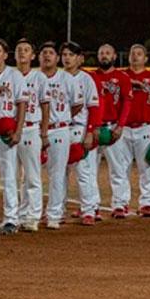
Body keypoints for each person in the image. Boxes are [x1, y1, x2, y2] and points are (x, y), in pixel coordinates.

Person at [0, 38, 28, 235]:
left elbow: (22, 104)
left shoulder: (14, 75)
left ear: (5, 55)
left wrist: (18, 131)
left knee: (9, 176)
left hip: (5, 131)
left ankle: (11, 218)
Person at [37, 41, 82, 230]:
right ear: (39, 57)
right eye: (44, 52)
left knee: (57, 174)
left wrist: (63, 117)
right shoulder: (33, 77)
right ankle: (33, 211)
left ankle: (54, 214)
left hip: (60, 129)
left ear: (57, 58)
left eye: (51, 53)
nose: (47, 56)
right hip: (35, 130)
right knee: (31, 174)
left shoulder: (67, 79)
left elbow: (78, 103)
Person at [122, 44, 150, 218]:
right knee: (120, 168)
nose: (135, 56)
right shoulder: (122, 76)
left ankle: (148, 202)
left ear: (146, 58)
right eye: (132, 53)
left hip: (147, 127)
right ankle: (120, 203)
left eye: (139, 54)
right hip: (123, 128)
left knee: (148, 166)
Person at [60, 43, 102, 226]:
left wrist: (91, 132)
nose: (67, 58)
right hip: (60, 130)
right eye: (64, 54)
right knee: (59, 173)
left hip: (80, 129)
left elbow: (94, 108)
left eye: (71, 54)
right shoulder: (56, 77)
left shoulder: (87, 79)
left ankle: (89, 210)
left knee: (84, 172)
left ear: (80, 58)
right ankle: (57, 210)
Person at [13, 39, 50, 232]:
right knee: (14, 176)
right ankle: (18, 214)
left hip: (31, 128)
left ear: (33, 55)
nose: (22, 53)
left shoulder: (39, 77)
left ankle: (33, 216)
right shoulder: (9, 75)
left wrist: (44, 132)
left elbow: (46, 106)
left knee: (32, 175)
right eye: (19, 50)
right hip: (11, 130)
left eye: (26, 50)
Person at [94, 43, 134, 219]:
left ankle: (120, 203)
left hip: (113, 126)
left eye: (107, 53)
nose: (104, 55)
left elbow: (127, 103)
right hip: (94, 127)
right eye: (101, 52)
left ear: (114, 56)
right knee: (88, 169)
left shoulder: (123, 77)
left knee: (118, 167)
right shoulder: (90, 76)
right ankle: (91, 205)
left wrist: (120, 125)